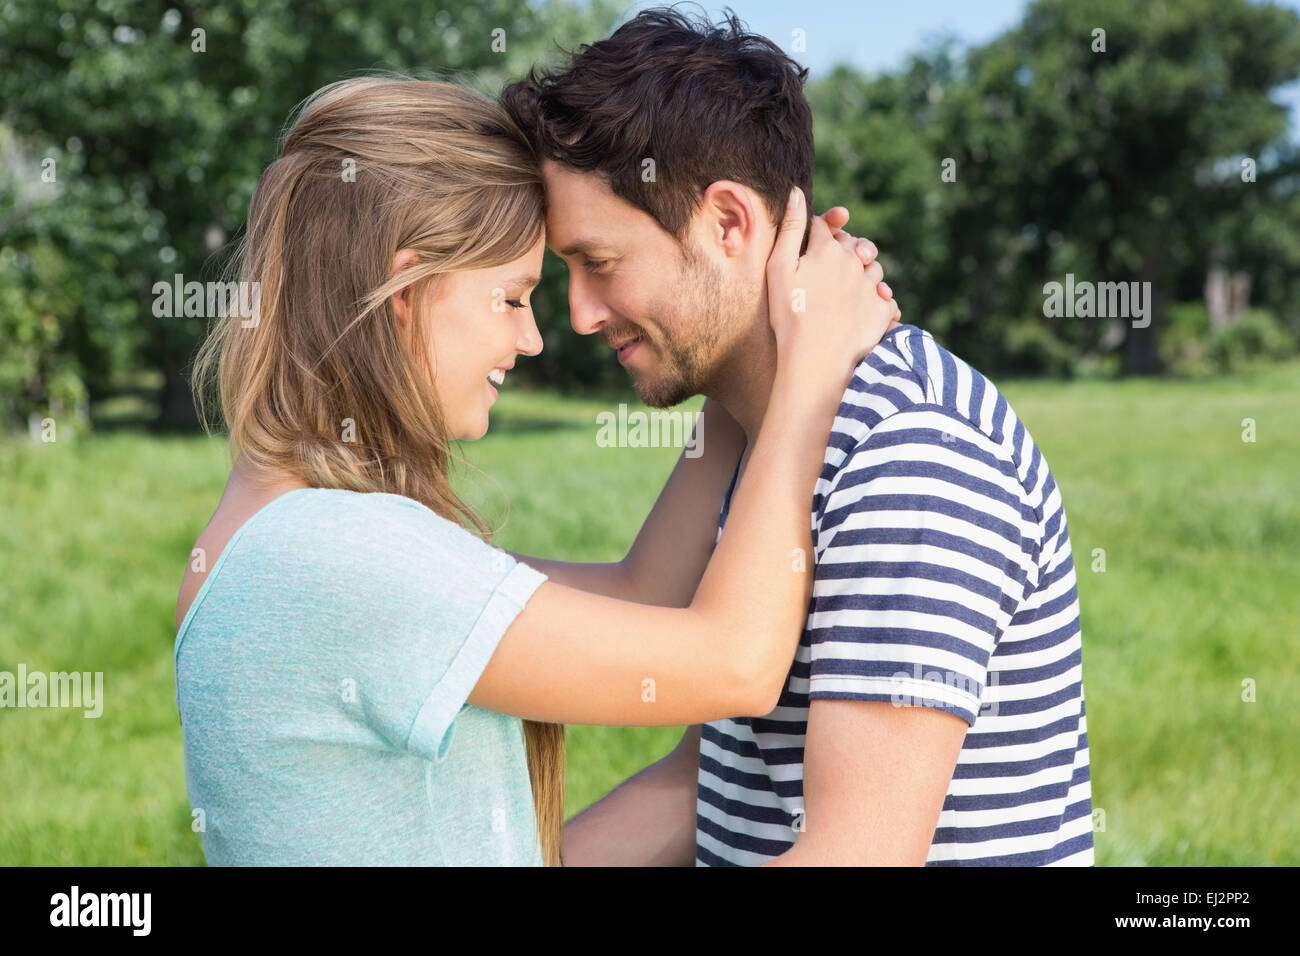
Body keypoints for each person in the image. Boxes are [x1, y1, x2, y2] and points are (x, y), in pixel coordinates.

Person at [172, 75, 898, 866]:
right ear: (405, 293)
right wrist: (811, 370)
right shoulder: (343, 557)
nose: (534, 339)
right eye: (513, 299)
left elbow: (642, 594)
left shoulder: (278, 541)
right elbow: (735, 662)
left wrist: (740, 344)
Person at [501, 7, 1095, 866]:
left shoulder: (909, 451)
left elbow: (856, 852)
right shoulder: (759, 429)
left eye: (599, 263)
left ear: (730, 224)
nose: (580, 316)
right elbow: (705, 782)